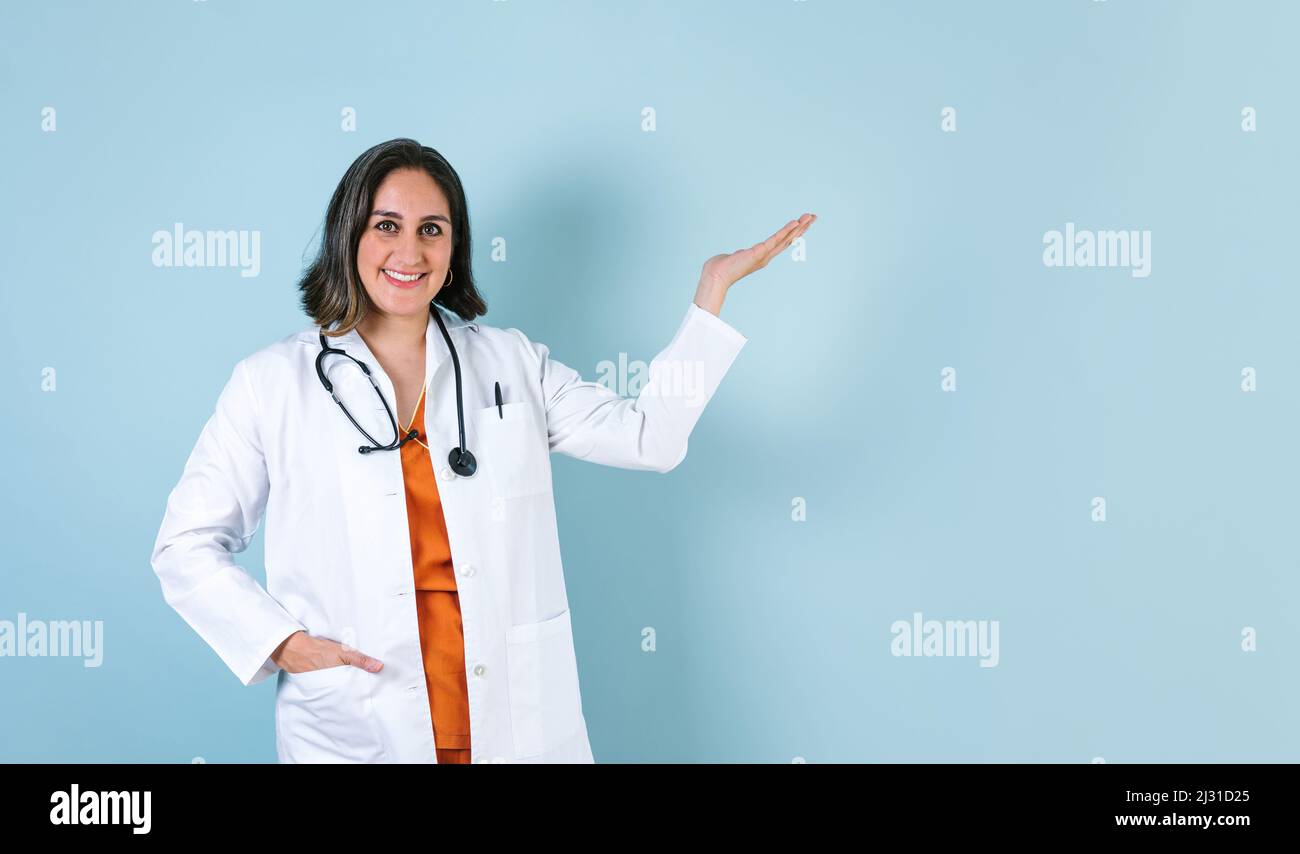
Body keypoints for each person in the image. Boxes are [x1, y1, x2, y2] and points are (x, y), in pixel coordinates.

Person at [149, 137, 816, 763]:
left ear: (453, 245)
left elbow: (650, 437)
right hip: (357, 720)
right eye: (386, 225)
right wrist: (285, 645)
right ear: (348, 235)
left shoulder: (508, 362)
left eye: (430, 230)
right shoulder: (273, 384)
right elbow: (185, 547)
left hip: (509, 715)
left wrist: (711, 293)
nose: (408, 251)